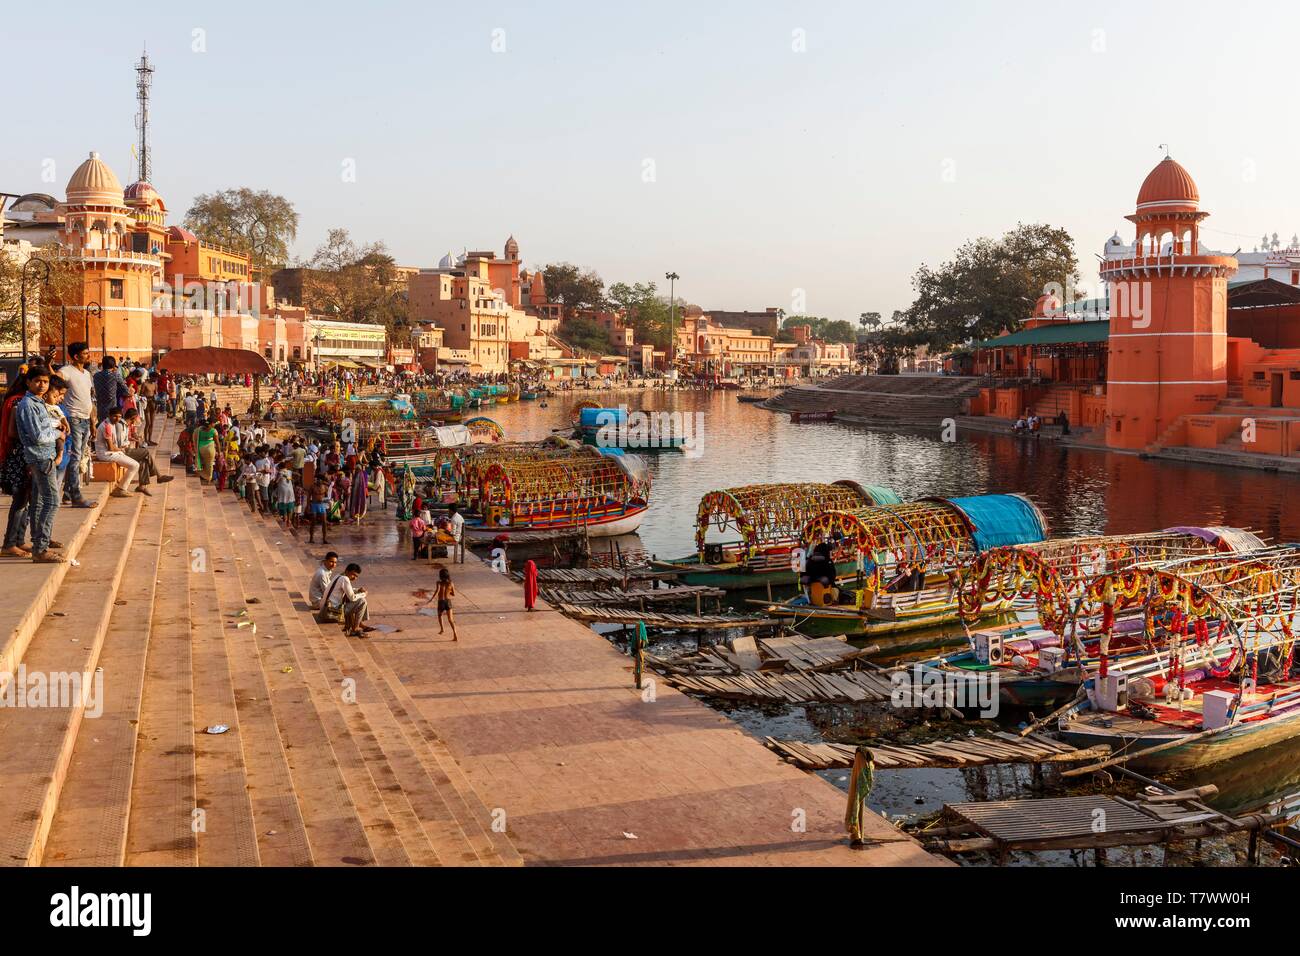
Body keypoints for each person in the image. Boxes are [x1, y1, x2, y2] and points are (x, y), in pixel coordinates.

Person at [14, 366, 65, 563]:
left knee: (41, 501)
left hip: (45, 456)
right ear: (28, 382)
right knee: (52, 501)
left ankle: (39, 544)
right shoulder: (28, 405)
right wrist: (57, 433)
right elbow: (38, 436)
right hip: (41, 457)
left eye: (45, 382)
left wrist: (55, 425)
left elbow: (42, 427)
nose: (42, 385)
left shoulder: (38, 403)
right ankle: (40, 548)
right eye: (38, 381)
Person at [57, 342, 97, 509]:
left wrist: (93, 422)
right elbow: (54, 379)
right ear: (76, 356)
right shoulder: (67, 371)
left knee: (79, 457)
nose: (88, 355)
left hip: (86, 419)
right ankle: (75, 495)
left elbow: (89, 399)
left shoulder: (86, 373)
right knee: (75, 457)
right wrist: (46, 364)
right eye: (85, 353)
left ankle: (67, 493)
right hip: (73, 418)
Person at [120, 408, 173, 496]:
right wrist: (129, 442)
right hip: (123, 451)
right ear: (133, 417)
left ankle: (142, 486)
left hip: (126, 448)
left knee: (143, 461)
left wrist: (132, 439)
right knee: (145, 452)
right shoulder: (121, 425)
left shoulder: (126, 425)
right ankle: (159, 476)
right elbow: (120, 443)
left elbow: (124, 439)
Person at [92, 406, 138, 498]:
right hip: (105, 454)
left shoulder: (110, 424)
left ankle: (121, 487)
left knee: (134, 464)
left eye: (119, 417)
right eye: (115, 416)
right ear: (109, 415)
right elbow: (111, 447)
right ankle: (121, 489)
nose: (117, 419)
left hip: (110, 453)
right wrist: (120, 450)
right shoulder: (107, 426)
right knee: (134, 465)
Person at [318, 562, 373, 637]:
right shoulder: (345, 579)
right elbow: (352, 597)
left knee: (354, 600)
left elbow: (348, 590)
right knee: (362, 601)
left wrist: (358, 590)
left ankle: (358, 624)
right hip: (330, 612)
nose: (354, 578)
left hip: (325, 609)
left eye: (356, 576)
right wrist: (364, 594)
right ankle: (356, 628)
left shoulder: (339, 576)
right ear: (347, 571)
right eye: (353, 574)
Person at [92, 355, 128, 423]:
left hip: (100, 407)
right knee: (111, 430)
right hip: (112, 409)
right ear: (114, 365)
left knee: (102, 428)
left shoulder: (96, 376)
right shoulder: (115, 375)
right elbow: (126, 390)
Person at [435, 567, 458, 641]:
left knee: (440, 615)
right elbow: (454, 594)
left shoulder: (439, 583)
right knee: (450, 619)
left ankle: (442, 629)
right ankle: (455, 634)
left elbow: (437, 591)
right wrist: (449, 591)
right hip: (448, 602)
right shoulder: (451, 583)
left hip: (441, 601)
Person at [194, 418, 218, 483]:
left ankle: (200, 475)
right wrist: (219, 451)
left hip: (200, 449)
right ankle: (208, 478)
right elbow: (217, 443)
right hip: (210, 449)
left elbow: (194, 440)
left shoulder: (197, 430)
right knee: (209, 465)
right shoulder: (213, 431)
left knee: (201, 464)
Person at [307, 476, 330, 544]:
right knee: (313, 522)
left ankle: (324, 539)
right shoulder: (312, 487)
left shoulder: (325, 487)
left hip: (322, 505)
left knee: (324, 522)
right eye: (317, 480)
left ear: (322, 481)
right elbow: (308, 497)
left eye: (319, 480)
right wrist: (308, 506)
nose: (318, 481)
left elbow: (327, 497)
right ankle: (311, 538)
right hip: (314, 505)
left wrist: (328, 504)